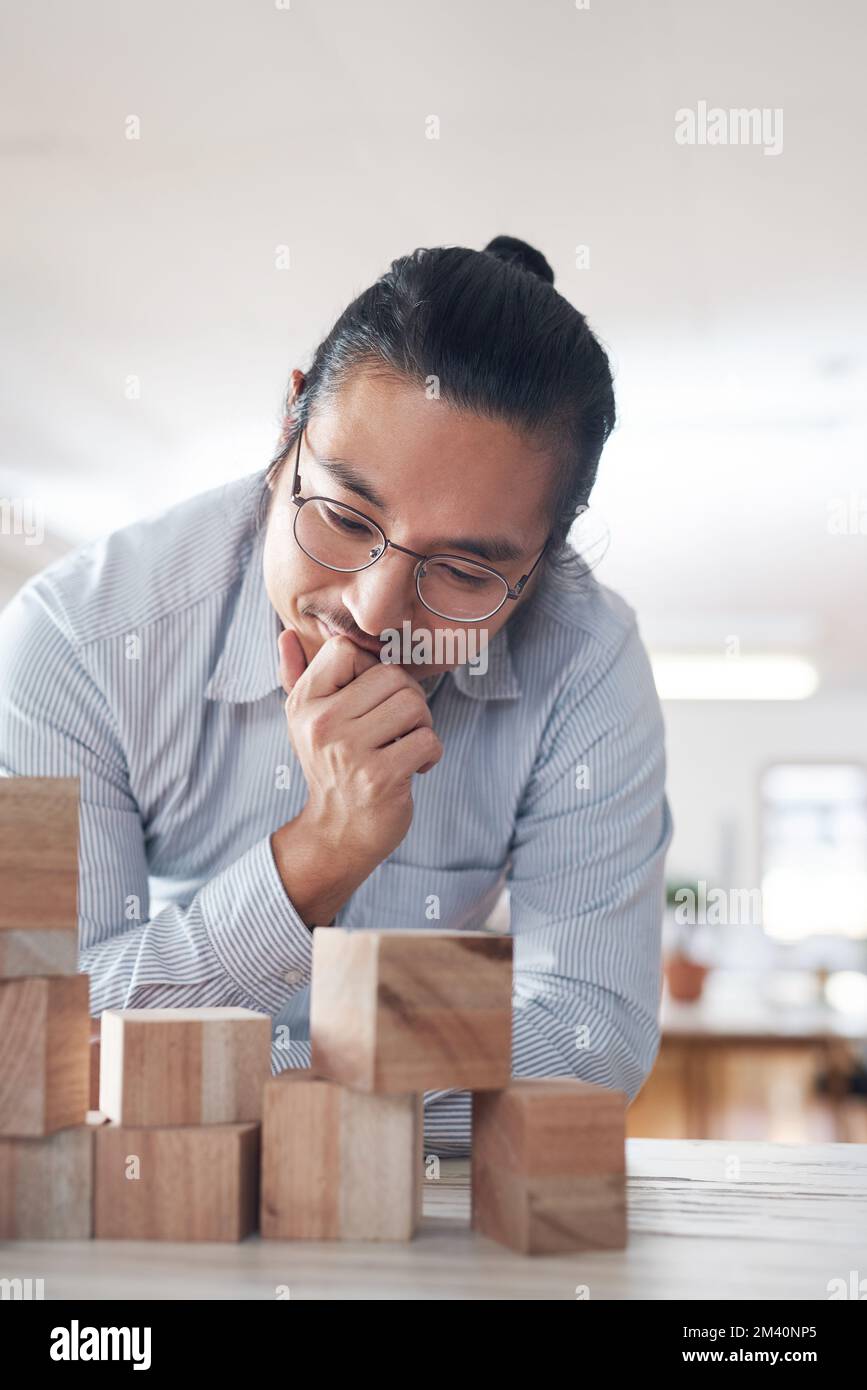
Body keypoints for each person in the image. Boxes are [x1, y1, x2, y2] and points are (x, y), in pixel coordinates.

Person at [0, 236, 674, 1155]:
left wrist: (250, 1087)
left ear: (545, 558)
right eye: (346, 518)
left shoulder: (587, 662)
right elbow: (41, 1036)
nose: (373, 609)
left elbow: (593, 1043)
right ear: (288, 426)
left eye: (466, 571)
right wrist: (316, 856)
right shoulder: (79, 638)